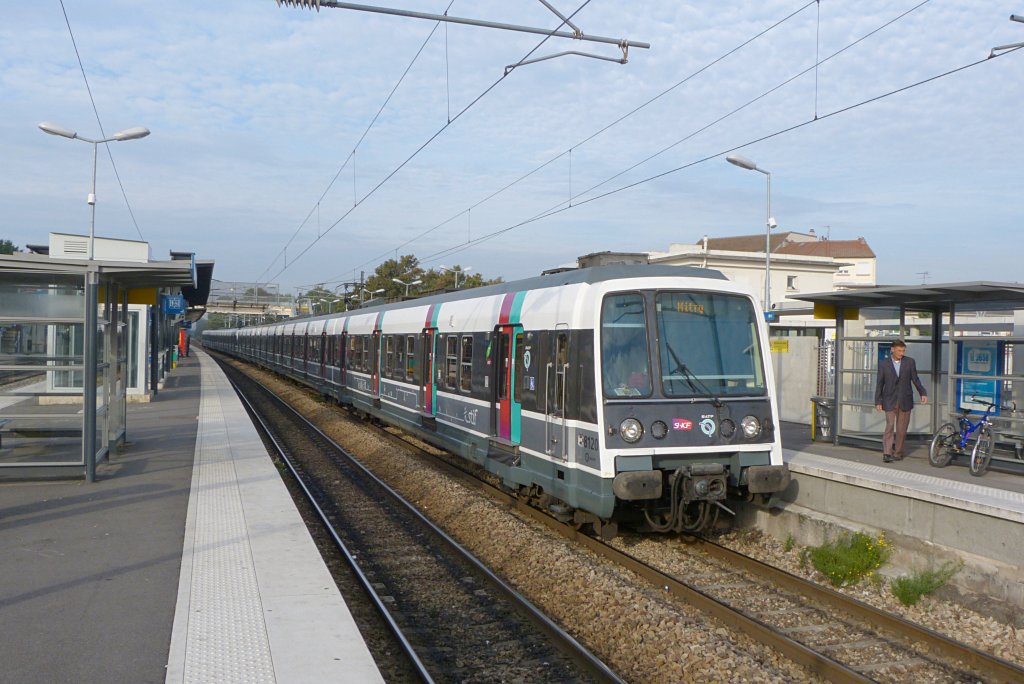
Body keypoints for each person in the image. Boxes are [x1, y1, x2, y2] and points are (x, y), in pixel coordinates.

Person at [874, 339, 928, 463]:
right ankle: (887, 453)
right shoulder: (883, 364)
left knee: (902, 428)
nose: (901, 353)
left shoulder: (909, 362)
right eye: (899, 351)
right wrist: (878, 401)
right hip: (889, 399)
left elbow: (915, 379)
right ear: (892, 350)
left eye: (903, 351)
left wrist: (923, 393)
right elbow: (879, 384)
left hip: (905, 399)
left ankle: (898, 452)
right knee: (890, 425)